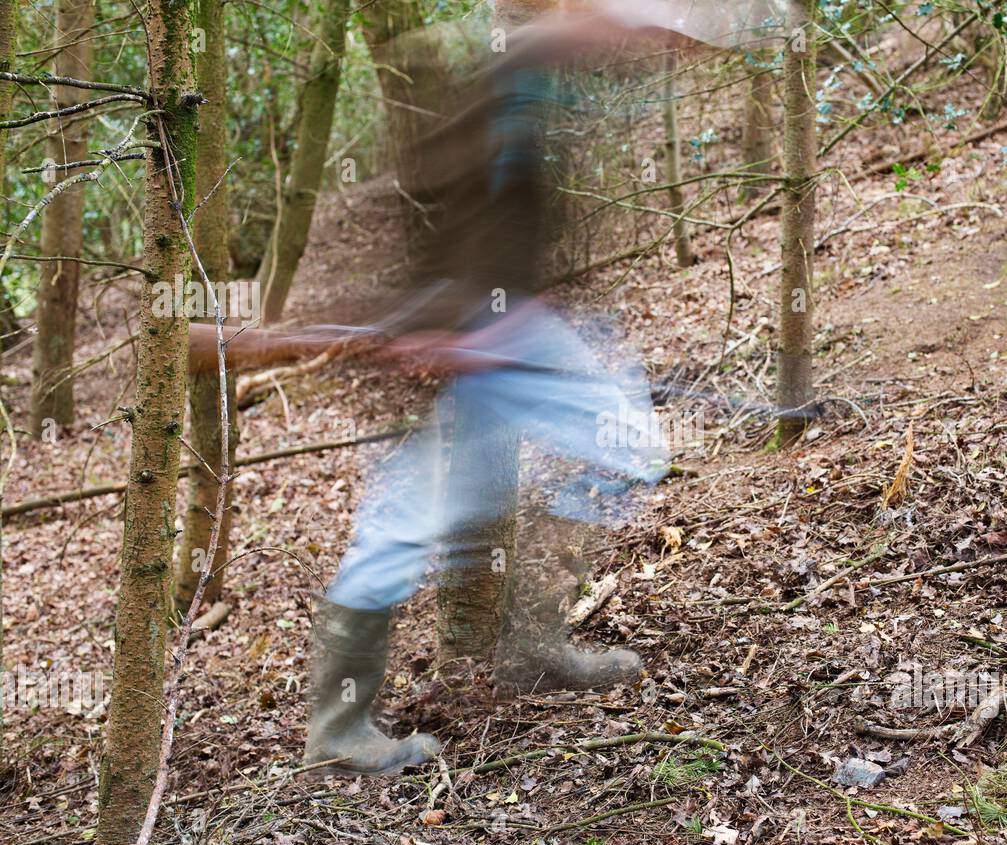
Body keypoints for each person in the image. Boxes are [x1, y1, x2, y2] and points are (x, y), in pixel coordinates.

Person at [190, 2, 787, 776]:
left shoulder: (517, 81)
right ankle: (339, 733)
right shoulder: (494, 70)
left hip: (502, 326)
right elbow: (432, 212)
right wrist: (437, 323)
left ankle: (534, 649)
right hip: (483, 327)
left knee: (591, 456)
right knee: (416, 520)